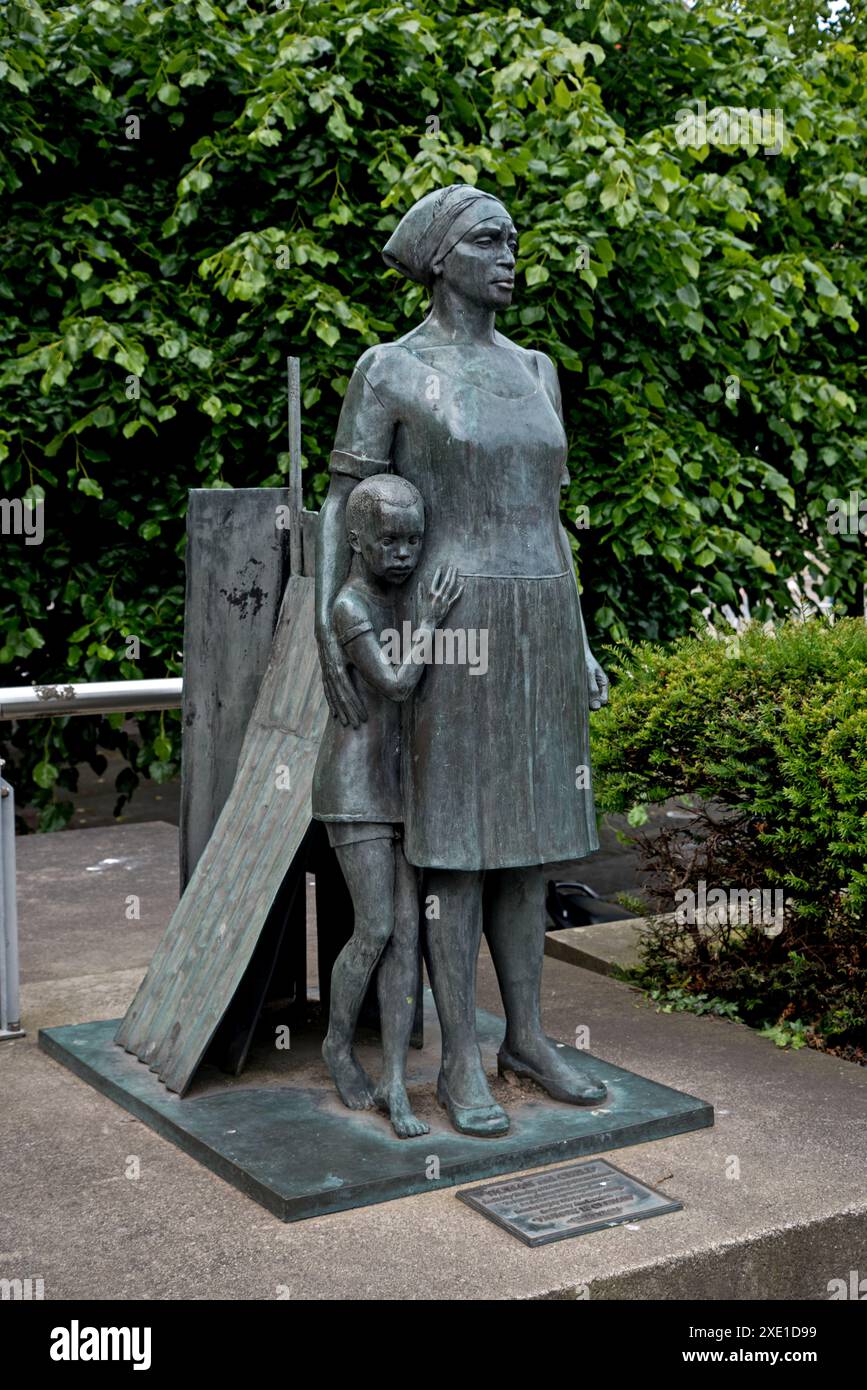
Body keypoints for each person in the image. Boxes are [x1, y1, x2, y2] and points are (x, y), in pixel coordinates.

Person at [316, 184, 610, 1138]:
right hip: (451, 619)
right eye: (489, 239)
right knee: (459, 849)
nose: (508, 254)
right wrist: (332, 615)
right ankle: (457, 1063)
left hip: (541, 616)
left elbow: (552, 517)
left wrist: (581, 640)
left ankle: (526, 1034)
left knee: (527, 846)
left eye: (513, 240)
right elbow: (343, 498)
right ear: (440, 255)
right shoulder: (391, 369)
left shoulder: (536, 366)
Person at [312, 471, 463, 1138]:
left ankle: (397, 1081)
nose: (403, 555)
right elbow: (398, 684)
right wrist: (430, 621)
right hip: (354, 787)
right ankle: (337, 1045)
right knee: (374, 928)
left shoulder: (403, 593)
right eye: (388, 542)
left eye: (412, 541)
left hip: (402, 784)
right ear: (355, 541)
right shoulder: (351, 606)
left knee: (406, 937)